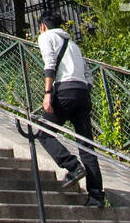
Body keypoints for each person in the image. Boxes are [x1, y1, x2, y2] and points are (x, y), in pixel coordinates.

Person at [36, 11, 105, 207]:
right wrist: (80, 92)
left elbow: (49, 65)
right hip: (82, 93)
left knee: (44, 133)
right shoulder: (73, 45)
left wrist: (48, 93)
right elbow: (88, 76)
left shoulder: (45, 37)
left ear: (43, 26)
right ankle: (96, 196)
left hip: (63, 91)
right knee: (86, 146)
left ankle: (73, 166)